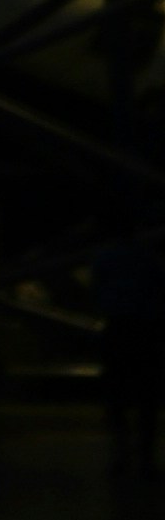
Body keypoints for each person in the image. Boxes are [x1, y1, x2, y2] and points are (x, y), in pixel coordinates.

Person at [87, 207, 165, 492]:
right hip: (147, 329)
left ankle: (121, 453)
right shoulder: (148, 259)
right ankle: (145, 457)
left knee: (117, 395)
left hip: (118, 327)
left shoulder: (105, 259)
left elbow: (97, 293)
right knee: (148, 396)